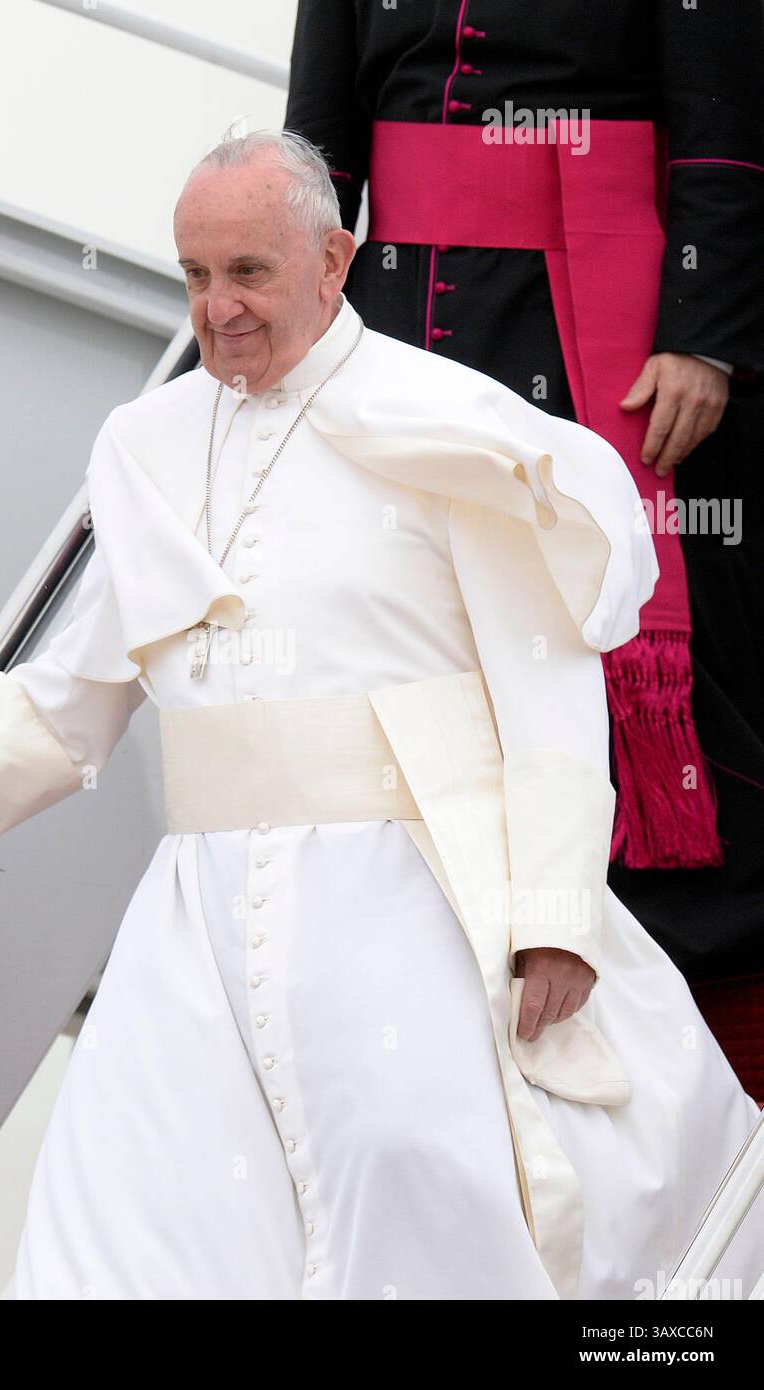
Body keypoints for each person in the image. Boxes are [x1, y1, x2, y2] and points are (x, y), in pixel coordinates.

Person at [0, 131, 764, 1300]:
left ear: (333, 259)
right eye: (194, 278)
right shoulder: (149, 449)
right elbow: (66, 708)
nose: (217, 310)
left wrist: (555, 913)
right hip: (195, 927)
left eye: (246, 273)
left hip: (408, 901)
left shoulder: (446, 423)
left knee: (425, 1197)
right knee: (130, 1215)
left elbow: (546, 684)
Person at [283, 1, 764, 1089]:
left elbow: (727, 125)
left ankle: (661, 1028)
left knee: (617, 650)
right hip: (403, 321)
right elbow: (315, 144)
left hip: (601, 321)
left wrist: (702, 335)